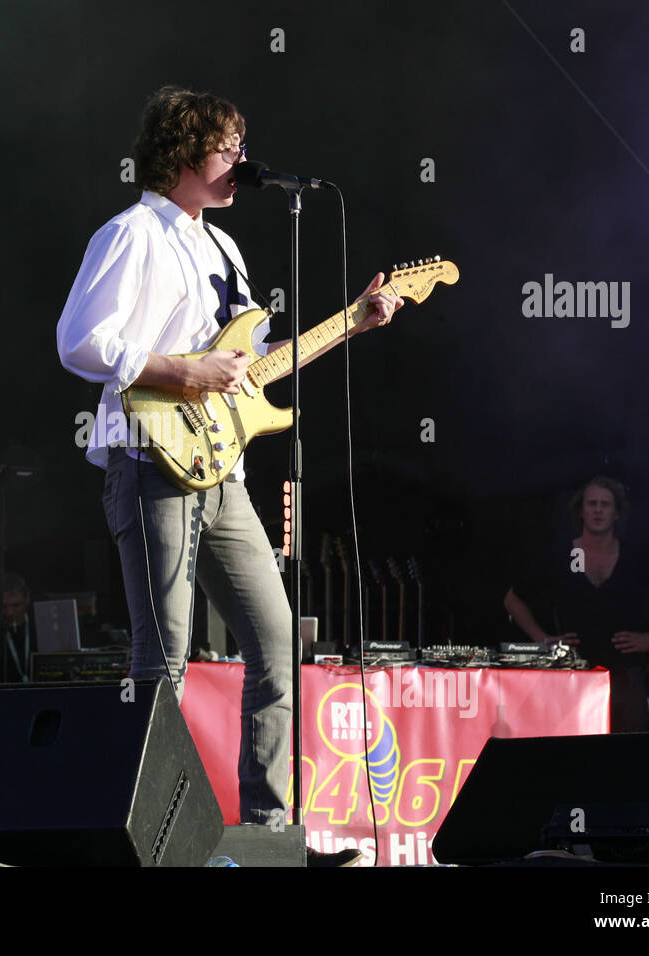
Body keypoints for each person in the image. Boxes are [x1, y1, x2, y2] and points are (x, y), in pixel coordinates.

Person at [56, 87, 401, 826]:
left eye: (244, 147)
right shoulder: (131, 233)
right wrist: (184, 372)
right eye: (229, 148)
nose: (243, 162)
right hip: (150, 463)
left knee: (277, 640)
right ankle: (146, 830)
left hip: (224, 475)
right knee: (164, 660)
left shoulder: (224, 245)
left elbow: (249, 364)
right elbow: (79, 340)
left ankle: (269, 830)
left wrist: (353, 326)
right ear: (184, 153)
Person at [503, 476, 649, 732]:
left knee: (628, 752)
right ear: (581, 511)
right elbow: (513, 600)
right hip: (574, 674)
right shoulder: (561, 556)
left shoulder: (636, 557)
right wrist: (544, 640)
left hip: (626, 675)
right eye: (592, 504)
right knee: (579, 751)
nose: (598, 510)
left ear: (616, 513)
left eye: (605, 504)